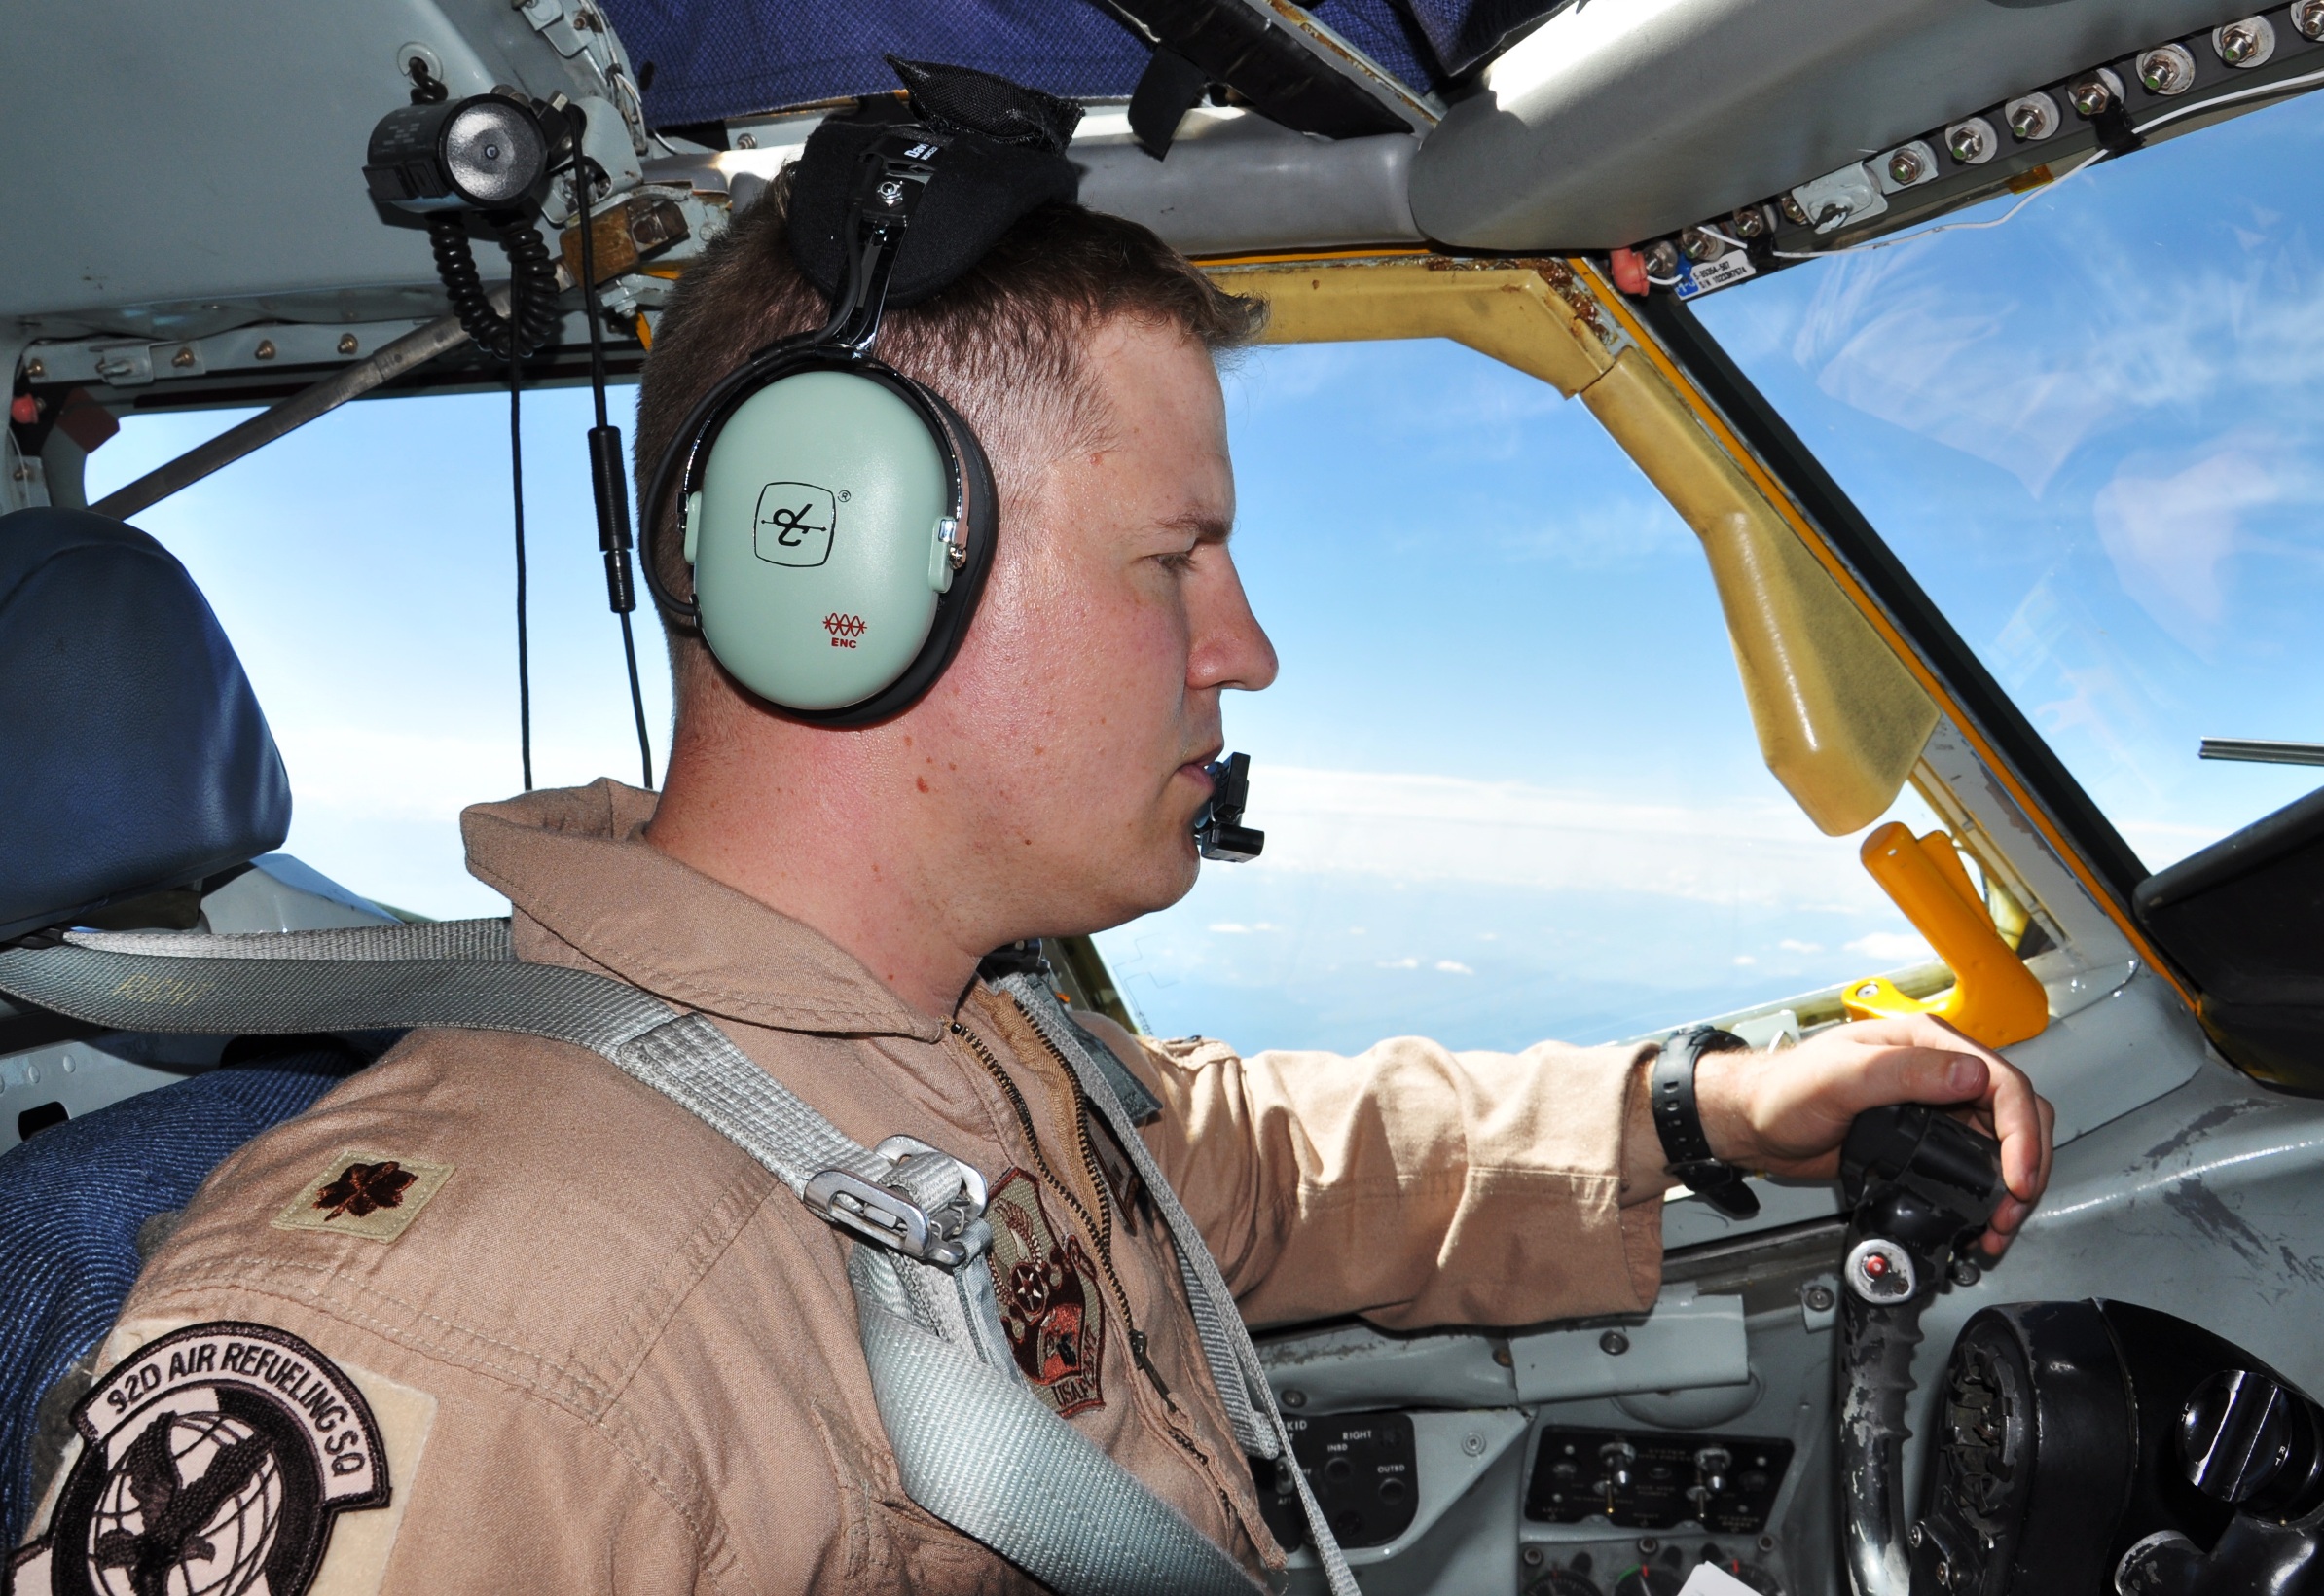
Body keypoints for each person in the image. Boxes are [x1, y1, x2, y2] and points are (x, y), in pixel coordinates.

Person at [14, 80, 2052, 1596]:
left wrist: (1706, 1105)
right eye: (1176, 558)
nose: (1246, 648)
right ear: (844, 567)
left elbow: (1237, 1162)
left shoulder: (947, 1046)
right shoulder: (480, 1339)